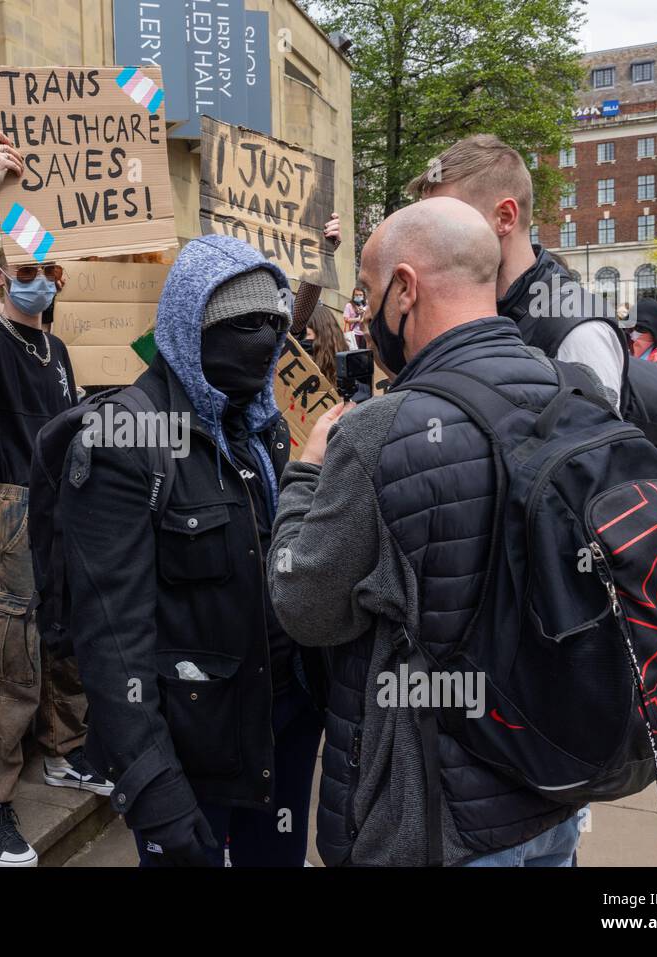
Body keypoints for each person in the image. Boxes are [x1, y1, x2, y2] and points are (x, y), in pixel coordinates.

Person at [268, 196, 587, 866]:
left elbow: (305, 604)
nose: (363, 312)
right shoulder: (576, 391)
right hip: (555, 785)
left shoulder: (377, 432)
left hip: (434, 817)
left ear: (405, 288)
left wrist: (304, 475)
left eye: (367, 292)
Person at [60, 235, 324, 867]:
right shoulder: (123, 439)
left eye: (276, 325)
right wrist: (152, 787)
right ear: (191, 326)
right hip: (191, 749)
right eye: (246, 325)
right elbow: (111, 637)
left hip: (281, 724)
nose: (267, 340)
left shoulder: (258, 426)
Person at [0, 130, 111, 867]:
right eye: (28, 270)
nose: (41, 281)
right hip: (12, 510)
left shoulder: (59, 350)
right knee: (10, 658)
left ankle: (64, 748)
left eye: (51, 271)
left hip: (69, 508)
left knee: (67, 642)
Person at [408, 135, 626, 408]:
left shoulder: (578, 331)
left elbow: (593, 434)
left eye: (446, 220)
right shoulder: (474, 308)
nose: (431, 238)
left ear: (505, 217)